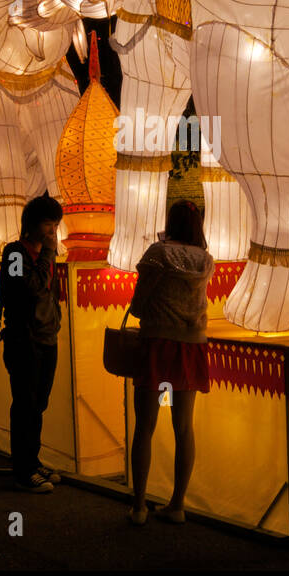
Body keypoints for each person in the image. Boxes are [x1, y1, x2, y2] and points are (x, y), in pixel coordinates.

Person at [127, 200, 215, 525]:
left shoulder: (156, 254)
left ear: (170, 221)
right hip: (191, 346)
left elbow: (138, 304)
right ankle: (177, 504)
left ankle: (139, 506)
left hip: (157, 343)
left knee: (145, 427)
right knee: (184, 428)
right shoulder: (205, 260)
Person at [0, 195, 64, 493]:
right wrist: (48, 256)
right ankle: (22, 471)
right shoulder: (14, 253)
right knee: (25, 403)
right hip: (24, 339)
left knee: (39, 403)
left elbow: (52, 296)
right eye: (49, 225)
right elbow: (30, 289)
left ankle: (32, 460)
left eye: (55, 225)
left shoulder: (46, 257)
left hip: (47, 337)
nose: (53, 232)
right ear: (33, 224)